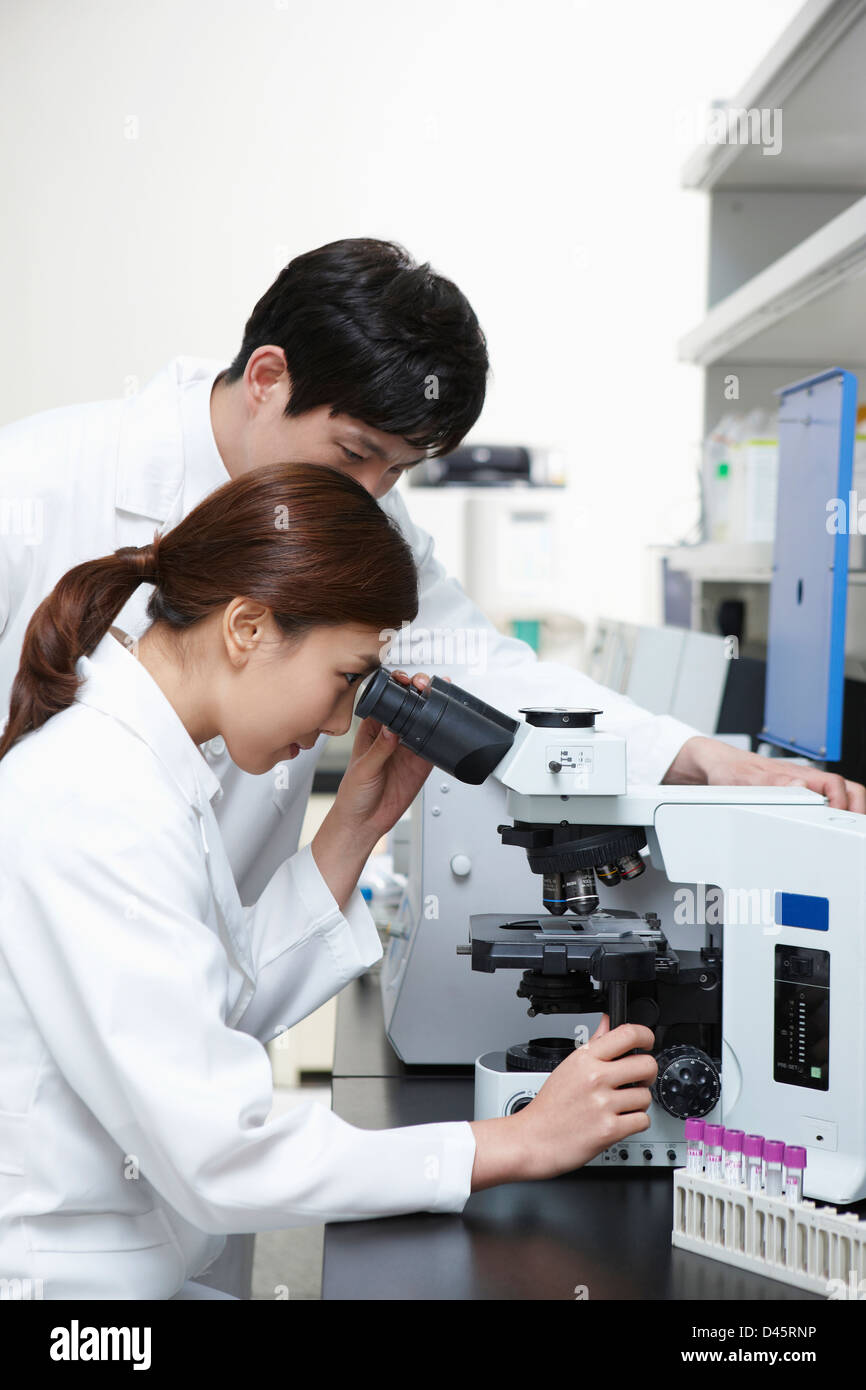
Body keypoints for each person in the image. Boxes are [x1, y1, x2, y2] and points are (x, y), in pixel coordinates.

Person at [1, 238, 861, 1296]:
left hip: (165, 1166)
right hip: (72, 1208)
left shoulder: (204, 680)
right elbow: (205, 1122)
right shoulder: (39, 497)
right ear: (266, 378)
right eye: (357, 451)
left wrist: (694, 760)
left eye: (397, 471)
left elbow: (474, 663)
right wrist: (502, 1143)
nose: (375, 494)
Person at [0, 462, 658, 1300]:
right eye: (348, 677)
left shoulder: (143, 767)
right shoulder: (97, 797)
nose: (343, 719)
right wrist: (514, 1143)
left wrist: (357, 823)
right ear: (247, 628)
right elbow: (223, 1155)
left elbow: (213, 1011)